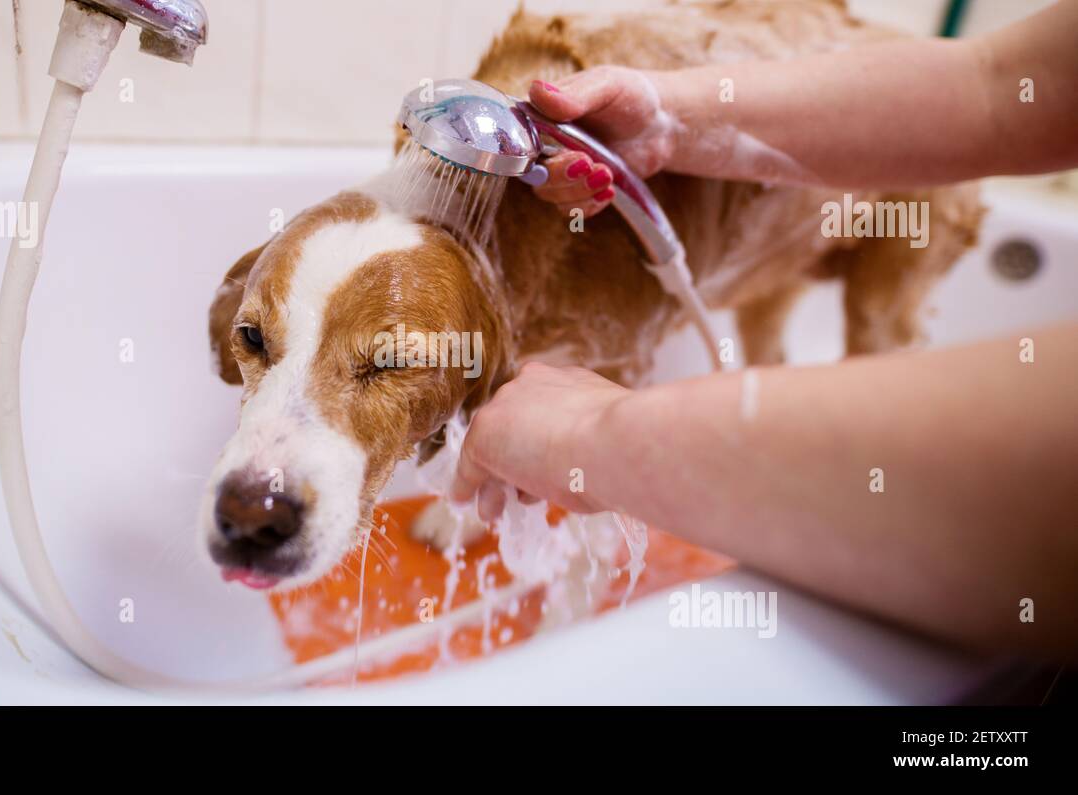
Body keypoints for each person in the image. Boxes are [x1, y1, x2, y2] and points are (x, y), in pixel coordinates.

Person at [450, 0, 1078, 657]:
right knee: (766, 336)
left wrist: (587, 438)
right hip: (846, 158)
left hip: (912, 205)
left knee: (875, 333)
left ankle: (825, 557)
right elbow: (994, 85)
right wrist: (668, 115)